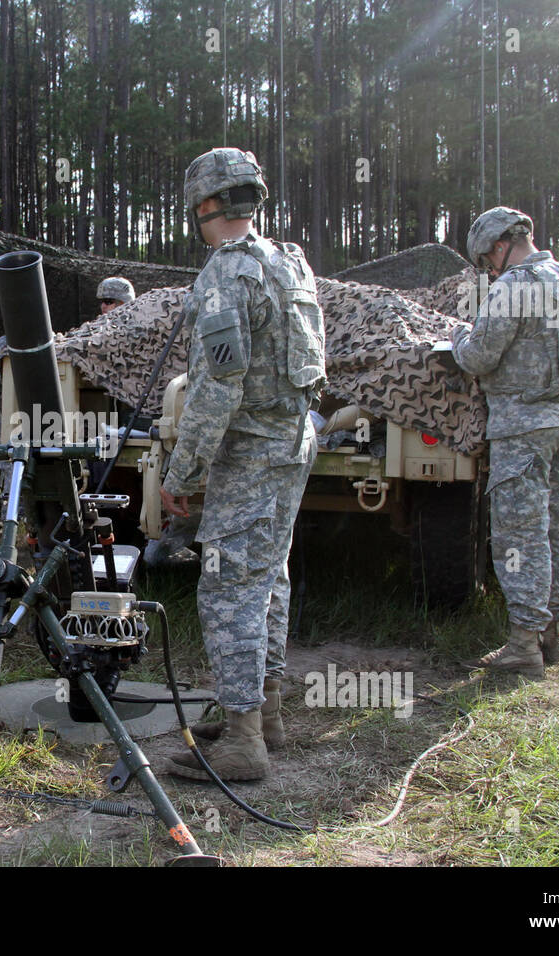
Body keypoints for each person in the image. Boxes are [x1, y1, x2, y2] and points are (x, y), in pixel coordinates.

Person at [158, 148, 325, 781]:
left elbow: (216, 388)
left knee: (229, 587)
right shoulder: (290, 263)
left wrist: (183, 474)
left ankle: (242, 740)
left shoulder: (228, 274)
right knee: (268, 578)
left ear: (204, 207)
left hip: (251, 451)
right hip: (291, 442)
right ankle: (266, 713)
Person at [452, 207, 559, 677]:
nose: (490, 271)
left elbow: (478, 357)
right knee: (557, 526)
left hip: (523, 427)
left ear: (498, 246)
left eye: (488, 262)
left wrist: (456, 337)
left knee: (521, 534)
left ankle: (522, 645)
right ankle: (552, 636)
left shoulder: (513, 286)